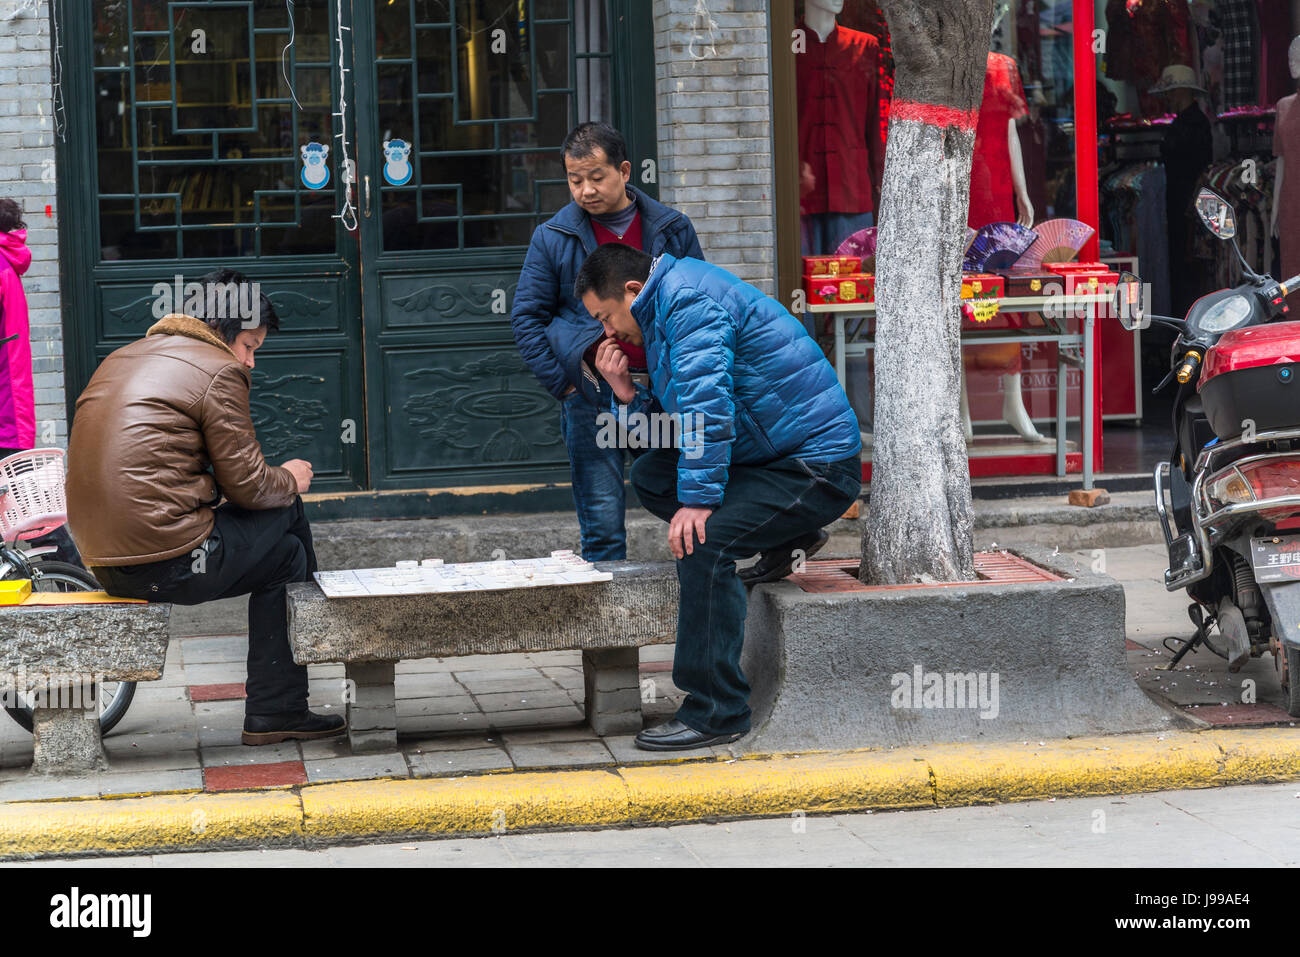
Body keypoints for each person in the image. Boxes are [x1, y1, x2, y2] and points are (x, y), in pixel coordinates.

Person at [575, 244, 862, 751]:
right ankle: (790, 534)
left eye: (606, 317)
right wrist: (624, 395)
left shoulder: (687, 302)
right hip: (770, 459)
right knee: (651, 476)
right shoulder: (666, 307)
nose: (608, 333)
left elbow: (708, 412)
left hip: (815, 467)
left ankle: (717, 710)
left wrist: (700, 502)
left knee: (704, 544)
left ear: (632, 292)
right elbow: (670, 427)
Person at [65, 268, 343, 746]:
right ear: (222, 333)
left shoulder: (122, 357)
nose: (251, 362)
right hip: (169, 559)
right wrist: (292, 479)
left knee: (286, 556)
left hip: (100, 560)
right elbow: (251, 488)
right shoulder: (217, 368)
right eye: (250, 346)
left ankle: (284, 704)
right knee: (287, 516)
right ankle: (286, 698)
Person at [512, 122, 703, 562]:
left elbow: (697, 300)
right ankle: (608, 620)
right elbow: (527, 317)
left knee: (682, 492)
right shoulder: (553, 237)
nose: (585, 190)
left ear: (624, 170)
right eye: (575, 180)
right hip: (592, 395)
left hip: (661, 389)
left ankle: (698, 582)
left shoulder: (672, 228)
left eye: (596, 177)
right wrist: (567, 384)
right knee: (600, 521)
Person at [0, 198, 80, 566]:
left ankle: (74, 587)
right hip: (11, 409)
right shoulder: (6, 266)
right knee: (28, 509)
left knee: (32, 515)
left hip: (4, 413)